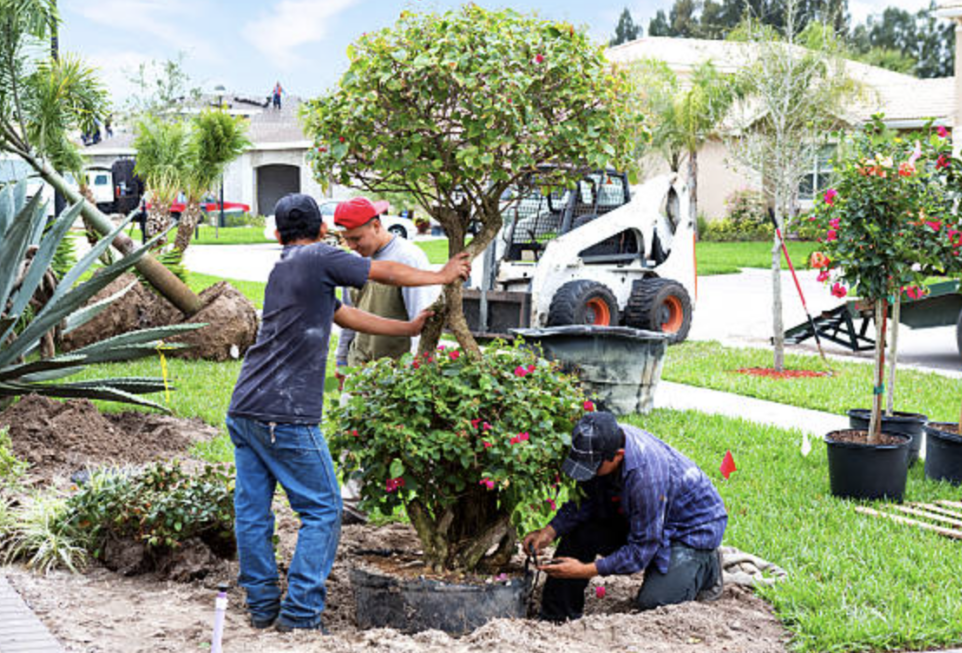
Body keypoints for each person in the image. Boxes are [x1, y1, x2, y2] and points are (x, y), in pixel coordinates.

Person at [225, 193, 471, 634]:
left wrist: (407, 329)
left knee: (253, 512)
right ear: (323, 230)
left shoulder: (284, 266)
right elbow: (387, 271)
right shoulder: (318, 257)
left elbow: (343, 314)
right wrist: (441, 273)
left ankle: (263, 607)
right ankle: (300, 615)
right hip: (286, 413)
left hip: (245, 407)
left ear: (280, 234)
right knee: (324, 508)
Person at [522, 411, 727, 622]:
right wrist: (548, 532)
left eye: (592, 468)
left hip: (690, 530)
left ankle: (707, 566)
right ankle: (557, 615)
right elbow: (585, 500)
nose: (586, 473)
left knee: (653, 603)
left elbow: (641, 551)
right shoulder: (597, 447)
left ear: (618, 455)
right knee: (579, 531)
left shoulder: (646, 479)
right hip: (647, 516)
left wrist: (584, 570)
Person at [332, 197, 438, 524]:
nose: (352, 246)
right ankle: (352, 506)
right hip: (361, 365)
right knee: (353, 437)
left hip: (397, 371)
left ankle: (427, 505)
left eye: (356, 239)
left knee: (407, 446)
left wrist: (419, 372)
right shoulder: (355, 264)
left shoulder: (408, 259)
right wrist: (341, 362)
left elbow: (424, 323)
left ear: (376, 226)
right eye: (345, 240)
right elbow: (349, 316)